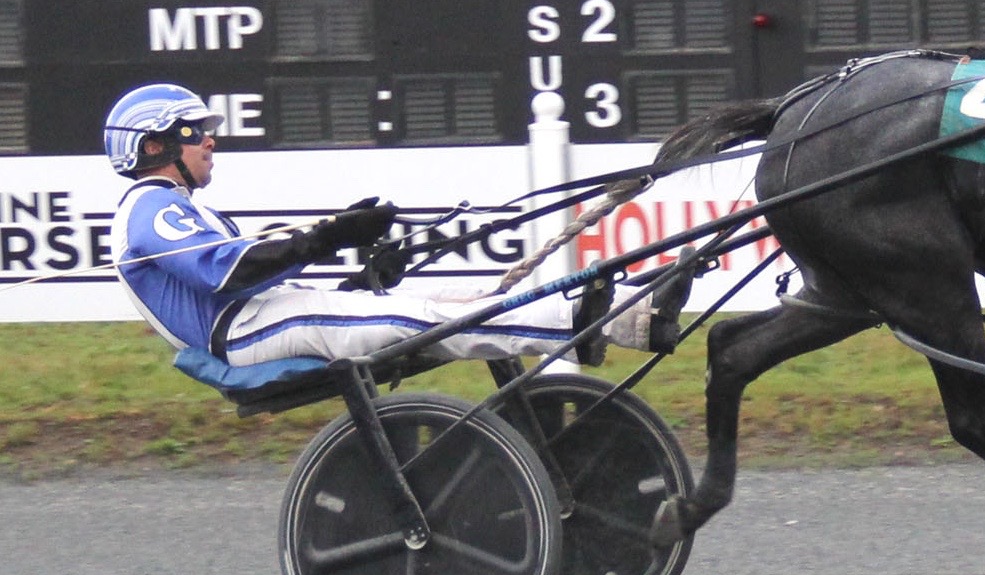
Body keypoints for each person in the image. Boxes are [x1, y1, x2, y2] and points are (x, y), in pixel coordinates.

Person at [103, 83, 691, 369]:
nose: (210, 139)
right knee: (417, 319)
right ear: (154, 145)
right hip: (238, 334)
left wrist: (358, 280)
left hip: (260, 318)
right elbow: (226, 274)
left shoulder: (176, 205)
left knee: (442, 298)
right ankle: (605, 321)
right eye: (194, 130)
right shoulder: (149, 208)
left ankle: (630, 309)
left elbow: (257, 282)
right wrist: (332, 234)